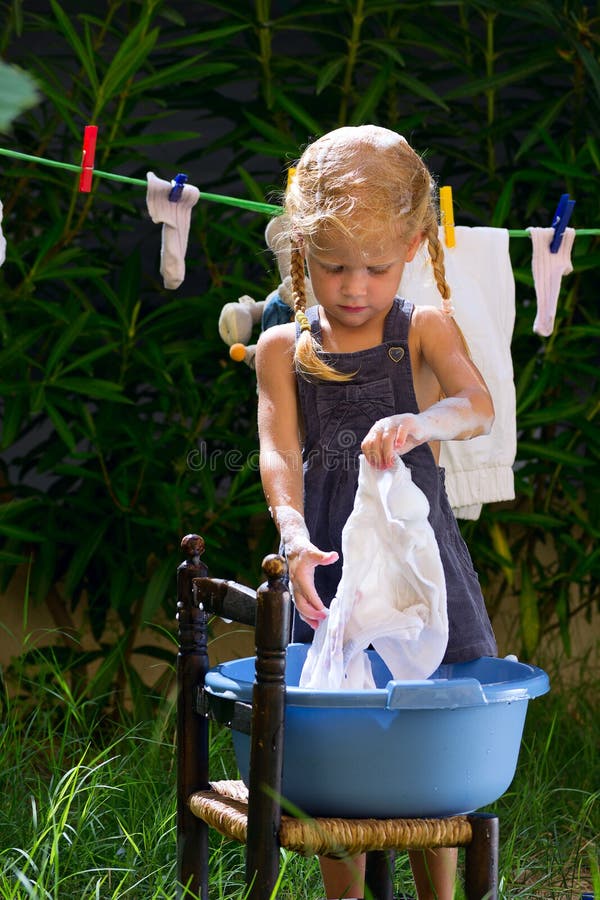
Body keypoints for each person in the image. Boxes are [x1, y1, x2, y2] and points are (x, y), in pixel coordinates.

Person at [255, 125, 498, 900]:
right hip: (330, 551)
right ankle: (346, 895)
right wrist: (291, 533)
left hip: (412, 546)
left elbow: (478, 404)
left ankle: (437, 891)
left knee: (432, 711)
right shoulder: (282, 347)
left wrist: (426, 424)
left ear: (416, 248)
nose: (355, 287)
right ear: (301, 252)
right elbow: (277, 453)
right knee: (337, 719)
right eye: (333, 268)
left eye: (378, 268)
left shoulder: (421, 329)